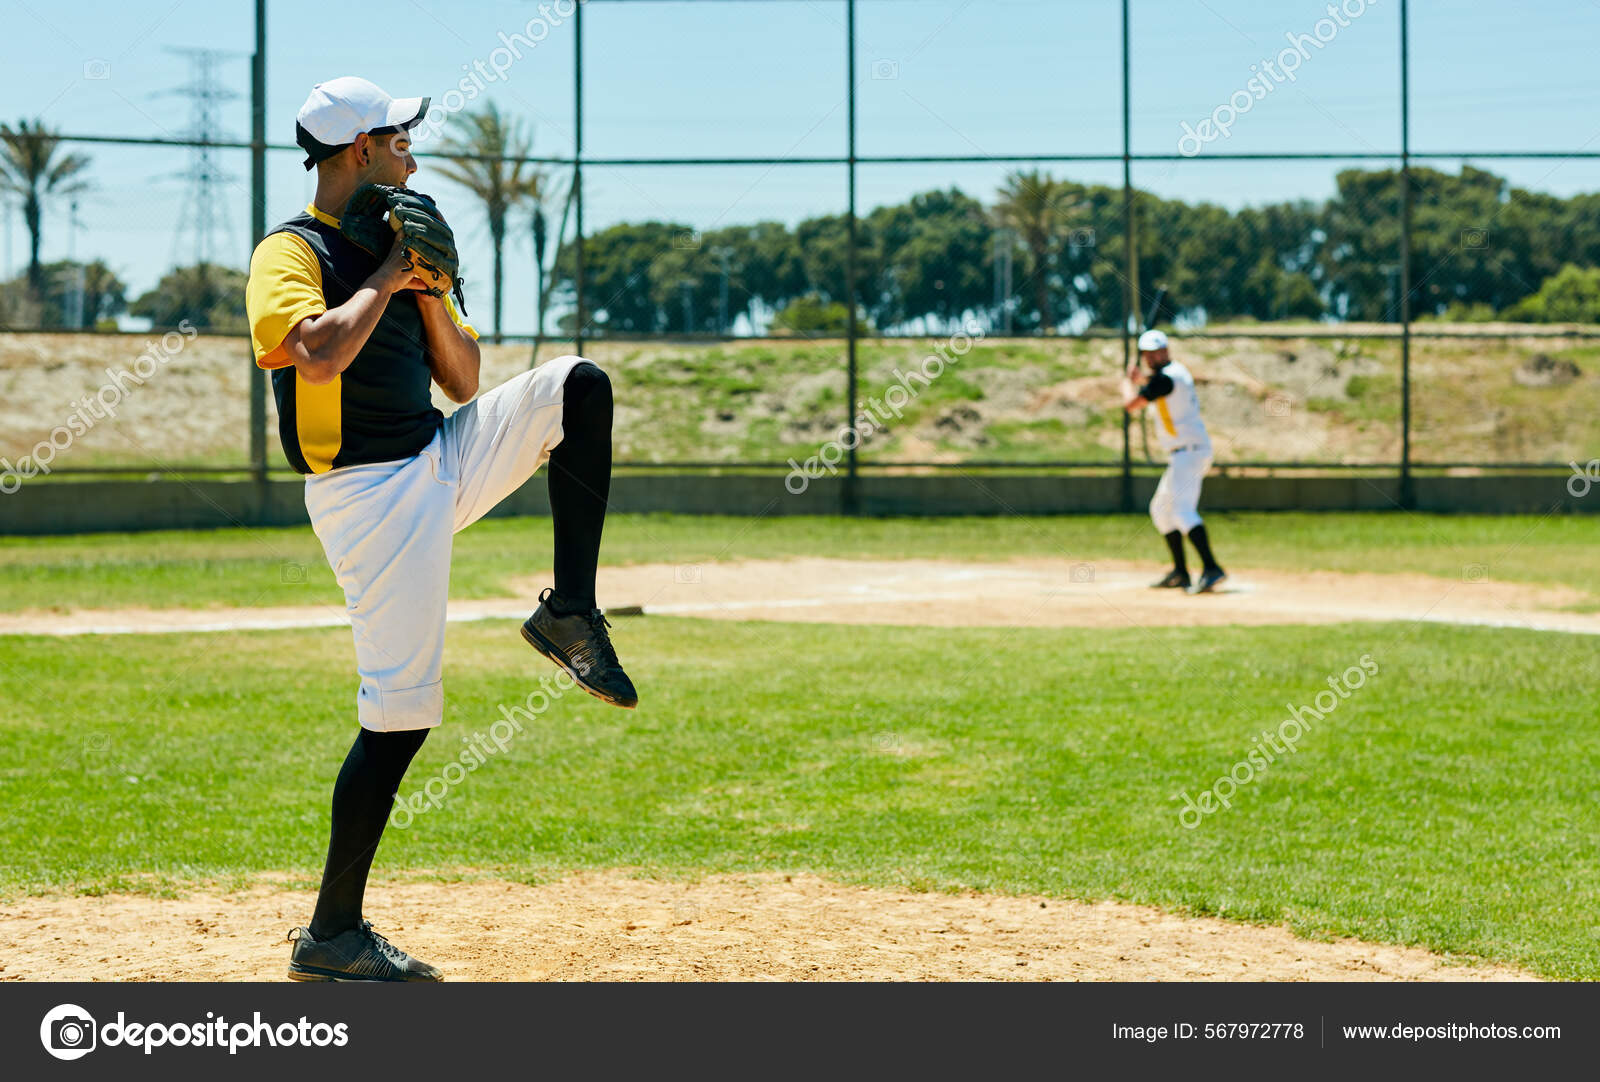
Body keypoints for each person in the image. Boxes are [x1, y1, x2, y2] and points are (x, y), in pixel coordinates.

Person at [245, 76, 636, 982]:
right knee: (400, 717)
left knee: (578, 385)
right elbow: (314, 353)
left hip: (436, 456)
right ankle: (332, 931)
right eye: (399, 140)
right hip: (366, 496)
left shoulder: (402, 245)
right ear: (357, 153)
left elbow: (462, 382)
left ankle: (570, 613)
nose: (412, 155)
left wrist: (426, 286)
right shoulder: (288, 251)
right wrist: (386, 274)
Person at [1121, 329, 1226, 595]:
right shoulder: (1171, 375)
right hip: (1184, 453)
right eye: (1148, 353)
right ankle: (1180, 572)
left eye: (1155, 352)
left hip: (1189, 453)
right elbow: (1156, 384)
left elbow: (1133, 404)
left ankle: (1212, 568)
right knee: (1160, 509)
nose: (1151, 357)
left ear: (1165, 351)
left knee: (1181, 511)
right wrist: (1142, 379)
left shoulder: (1167, 378)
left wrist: (1126, 384)